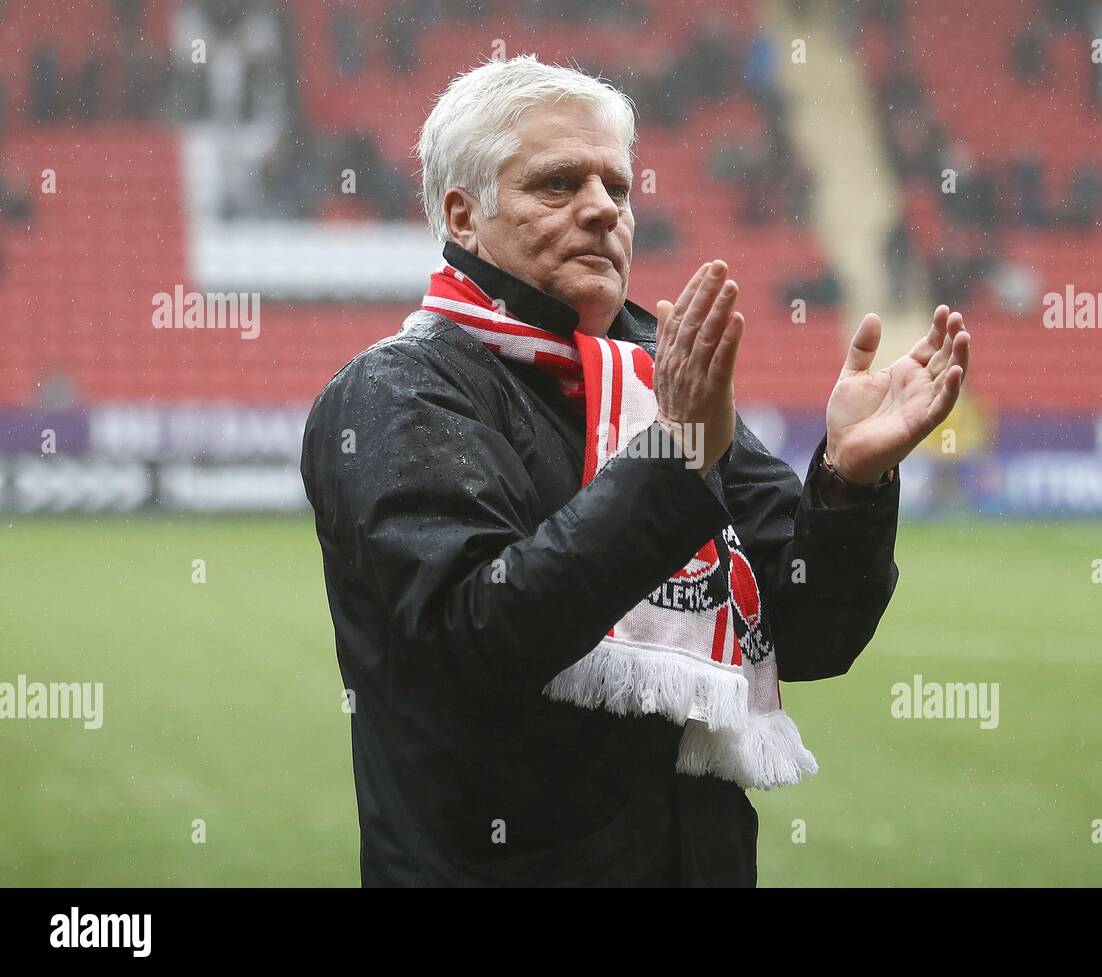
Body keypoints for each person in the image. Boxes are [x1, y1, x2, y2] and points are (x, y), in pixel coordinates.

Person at [299, 55, 971, 887]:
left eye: (617, 189)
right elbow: (473, 637)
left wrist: (846, 484)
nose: (600, 211)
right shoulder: (398, 390)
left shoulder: (655, 374)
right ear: (463, 216)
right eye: (557, 185)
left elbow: (812, 633)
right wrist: (673, 457)